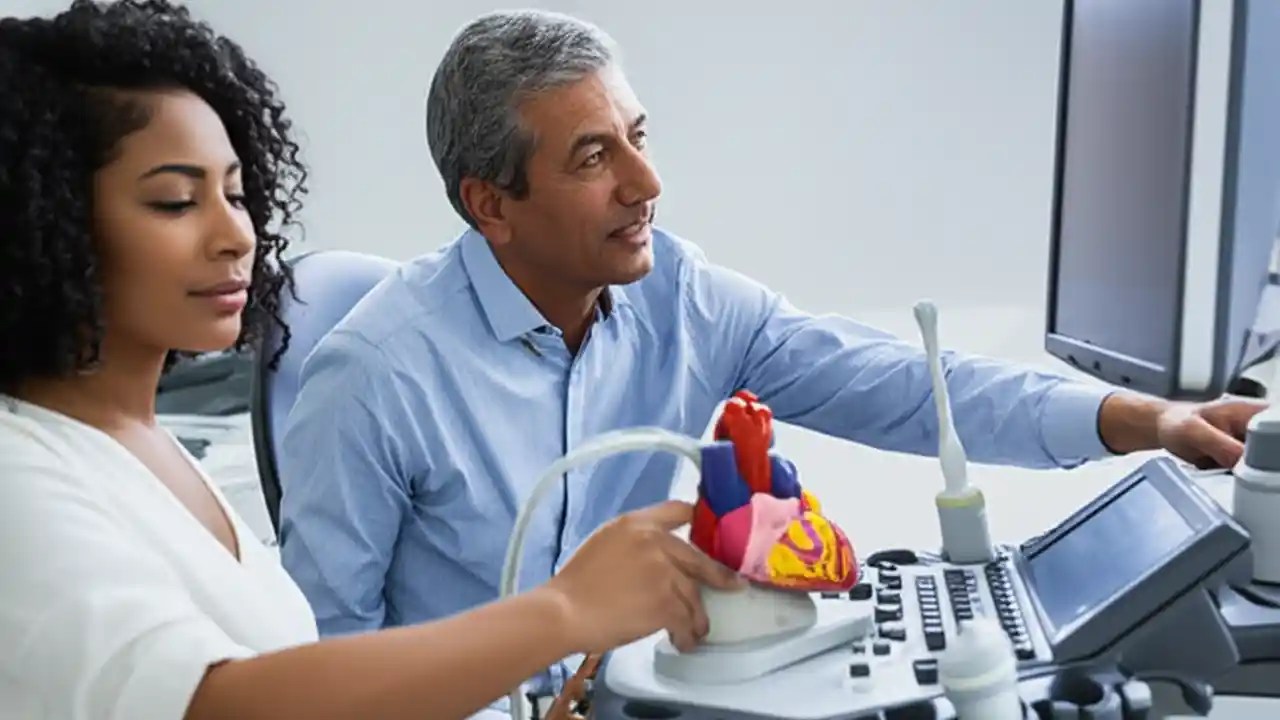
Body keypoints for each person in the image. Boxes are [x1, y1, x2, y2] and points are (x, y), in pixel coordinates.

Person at [278, 6, 1271, 664]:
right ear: (490, 205)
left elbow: (901, 383)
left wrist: (1140, 419)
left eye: (638, 134)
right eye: (593, 156)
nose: (644, 183)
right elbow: (321, 665)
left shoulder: (679, 294)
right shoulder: (372, 377)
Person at [0, 3, 747, 719]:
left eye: (235, 193)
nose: (236, 236)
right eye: (173, 202)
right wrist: (563, 611)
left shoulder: (141, 450)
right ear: (45, 218)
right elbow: (216, 704)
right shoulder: (20, 484)